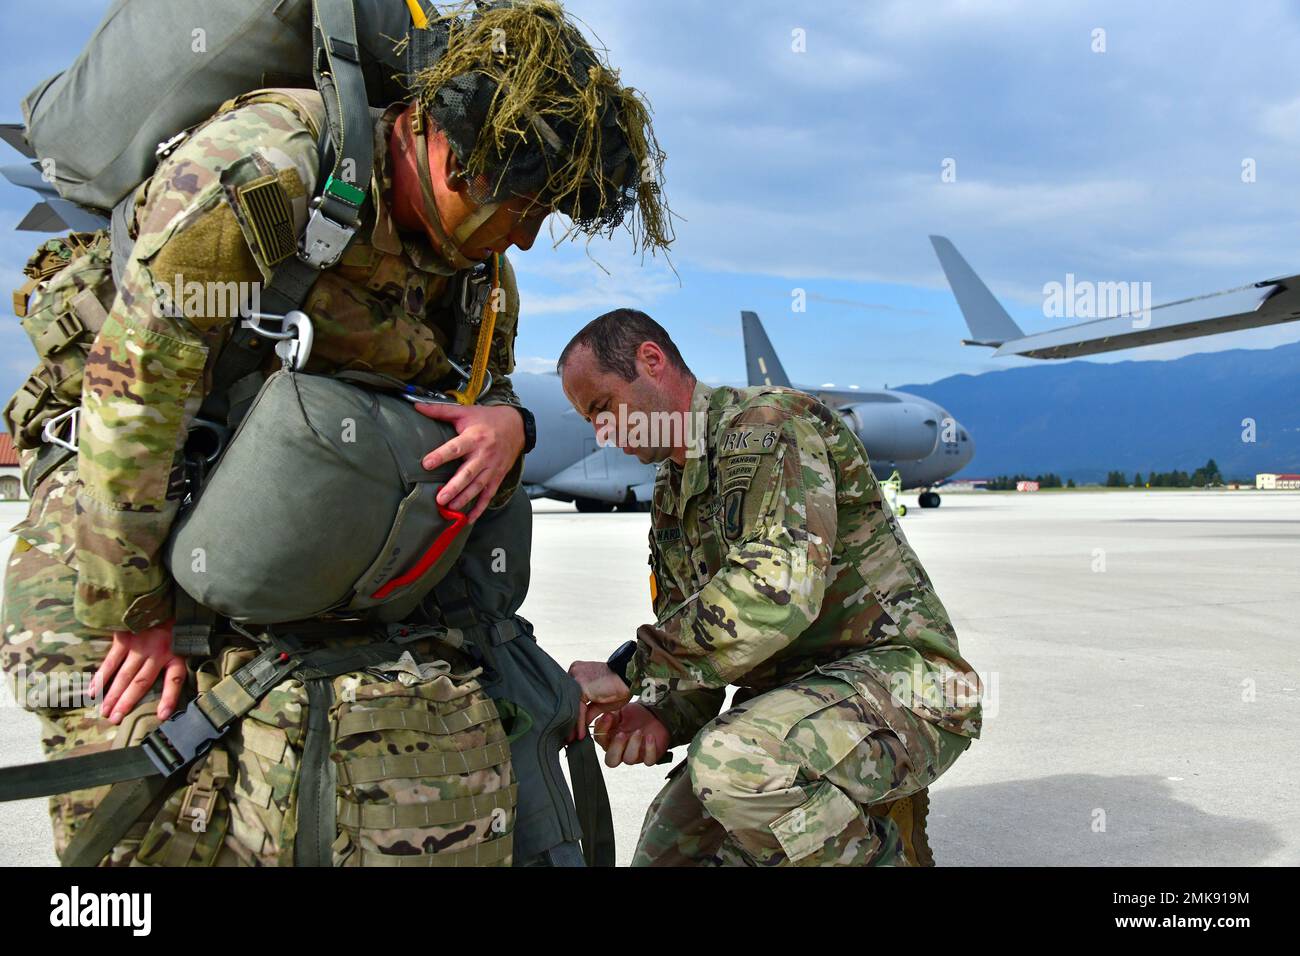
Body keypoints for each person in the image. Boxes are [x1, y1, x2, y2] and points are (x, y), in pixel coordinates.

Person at [0, 0, 671, 865]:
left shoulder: (479, 278)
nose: (527, 238)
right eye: (520, 205)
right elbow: (132, 393)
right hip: (108, 520)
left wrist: (507, 426)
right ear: (441, 141)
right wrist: (134, 614)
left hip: (278, 516)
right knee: (146, 805)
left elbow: (488, 392)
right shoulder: (269, 168)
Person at [558, 309, 981, 867]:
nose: (602, 434)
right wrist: (659, 715)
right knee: (670, 850)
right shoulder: (672, 490)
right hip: (792, 709)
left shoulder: (767, 426)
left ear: (651, 361)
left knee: (732, 764)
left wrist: (629, 668)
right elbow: (701, 651)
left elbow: (775, 595)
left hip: (905, 685)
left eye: (603, 408)